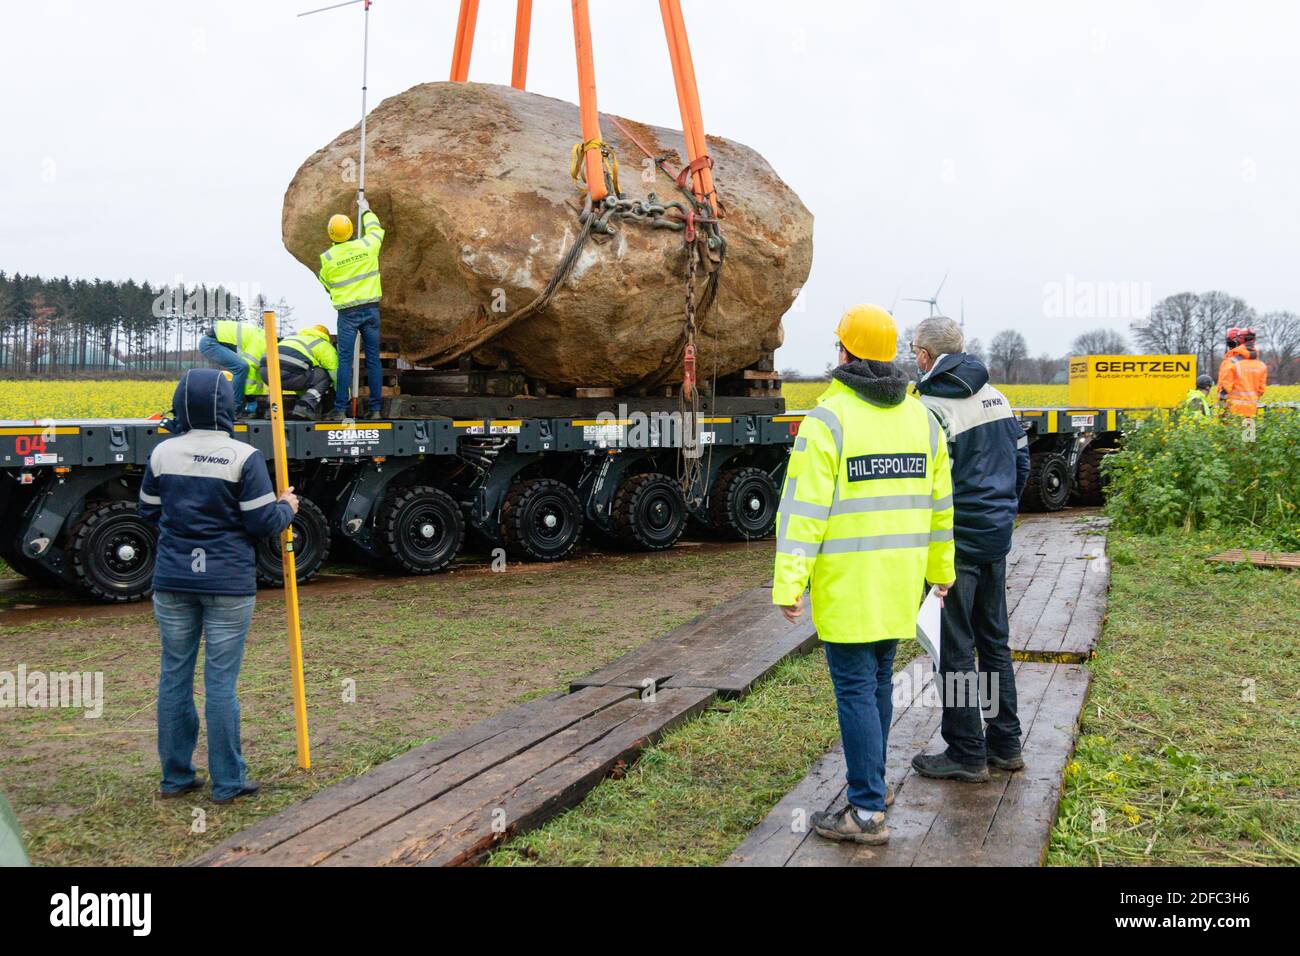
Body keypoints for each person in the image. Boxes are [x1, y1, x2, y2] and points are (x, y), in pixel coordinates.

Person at [772, 304, 956, 845]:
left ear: (845, 353)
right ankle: (874, 785)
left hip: (849, 588)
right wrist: (940, 571)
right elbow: (941, 506)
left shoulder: (828, 421)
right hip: (899, 585)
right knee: (876, 684)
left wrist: (789, 584)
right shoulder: (922, 419)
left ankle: (867, 811)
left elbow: (802, 512)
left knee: (857, 689)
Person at [138, 368, 298, 804]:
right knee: (220, 684)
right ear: (227, 407)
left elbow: (149, 512)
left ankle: (176, 778)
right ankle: (228, 783)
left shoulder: (161, 454)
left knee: (174, 676)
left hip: (173, 581)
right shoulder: (243, 457)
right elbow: (262, 523)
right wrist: (288, 506)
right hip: (228, 583)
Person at [908, 317, 1031, 783]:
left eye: (914, 349)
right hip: (995, 538)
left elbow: (927, 482)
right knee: (994, 641)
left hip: (954, 543)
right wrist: (1002, 512)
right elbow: (1021, 462)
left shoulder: (929, 406)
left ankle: (966, 752)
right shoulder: (998, 396)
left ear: (924, 355)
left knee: (954, 648)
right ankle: (1006, 744)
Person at [319, 195, 385, 421]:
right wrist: (366, 210)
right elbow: (376, 230)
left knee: (345, 361)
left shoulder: (327, 258)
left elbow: (327, 284)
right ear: (350, 231)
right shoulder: (367, 245)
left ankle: (340, 409)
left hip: (347, 314)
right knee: (374, 359)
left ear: (331, 235)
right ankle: (376, 409)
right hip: (371, 310)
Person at [259, 325, 338, 420]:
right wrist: (344, 395)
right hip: (290, 372)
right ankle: (304, 407)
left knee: (302, 373)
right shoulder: (323, 344)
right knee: (324, 375)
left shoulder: (292, 339)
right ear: (326, 336)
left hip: (265, 371)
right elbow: (335, 373)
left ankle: (272, 411)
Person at [198, 318, 267, 415]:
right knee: (241, 367)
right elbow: (251, 368)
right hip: (210, 343)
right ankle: (234, 408)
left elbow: (257, 373)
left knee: (241, 368)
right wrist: (251, 399)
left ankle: (233, 403)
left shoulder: (263, 338)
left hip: (213, 341)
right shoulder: (262, 342)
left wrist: (257, 397)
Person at [1217, 327, 1268, 417]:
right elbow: (1260, 391)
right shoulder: (1261, 365)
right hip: (1251, 412)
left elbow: (1224, 388)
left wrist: (1221, 410)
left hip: (1233, 413)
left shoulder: (1232, 362)